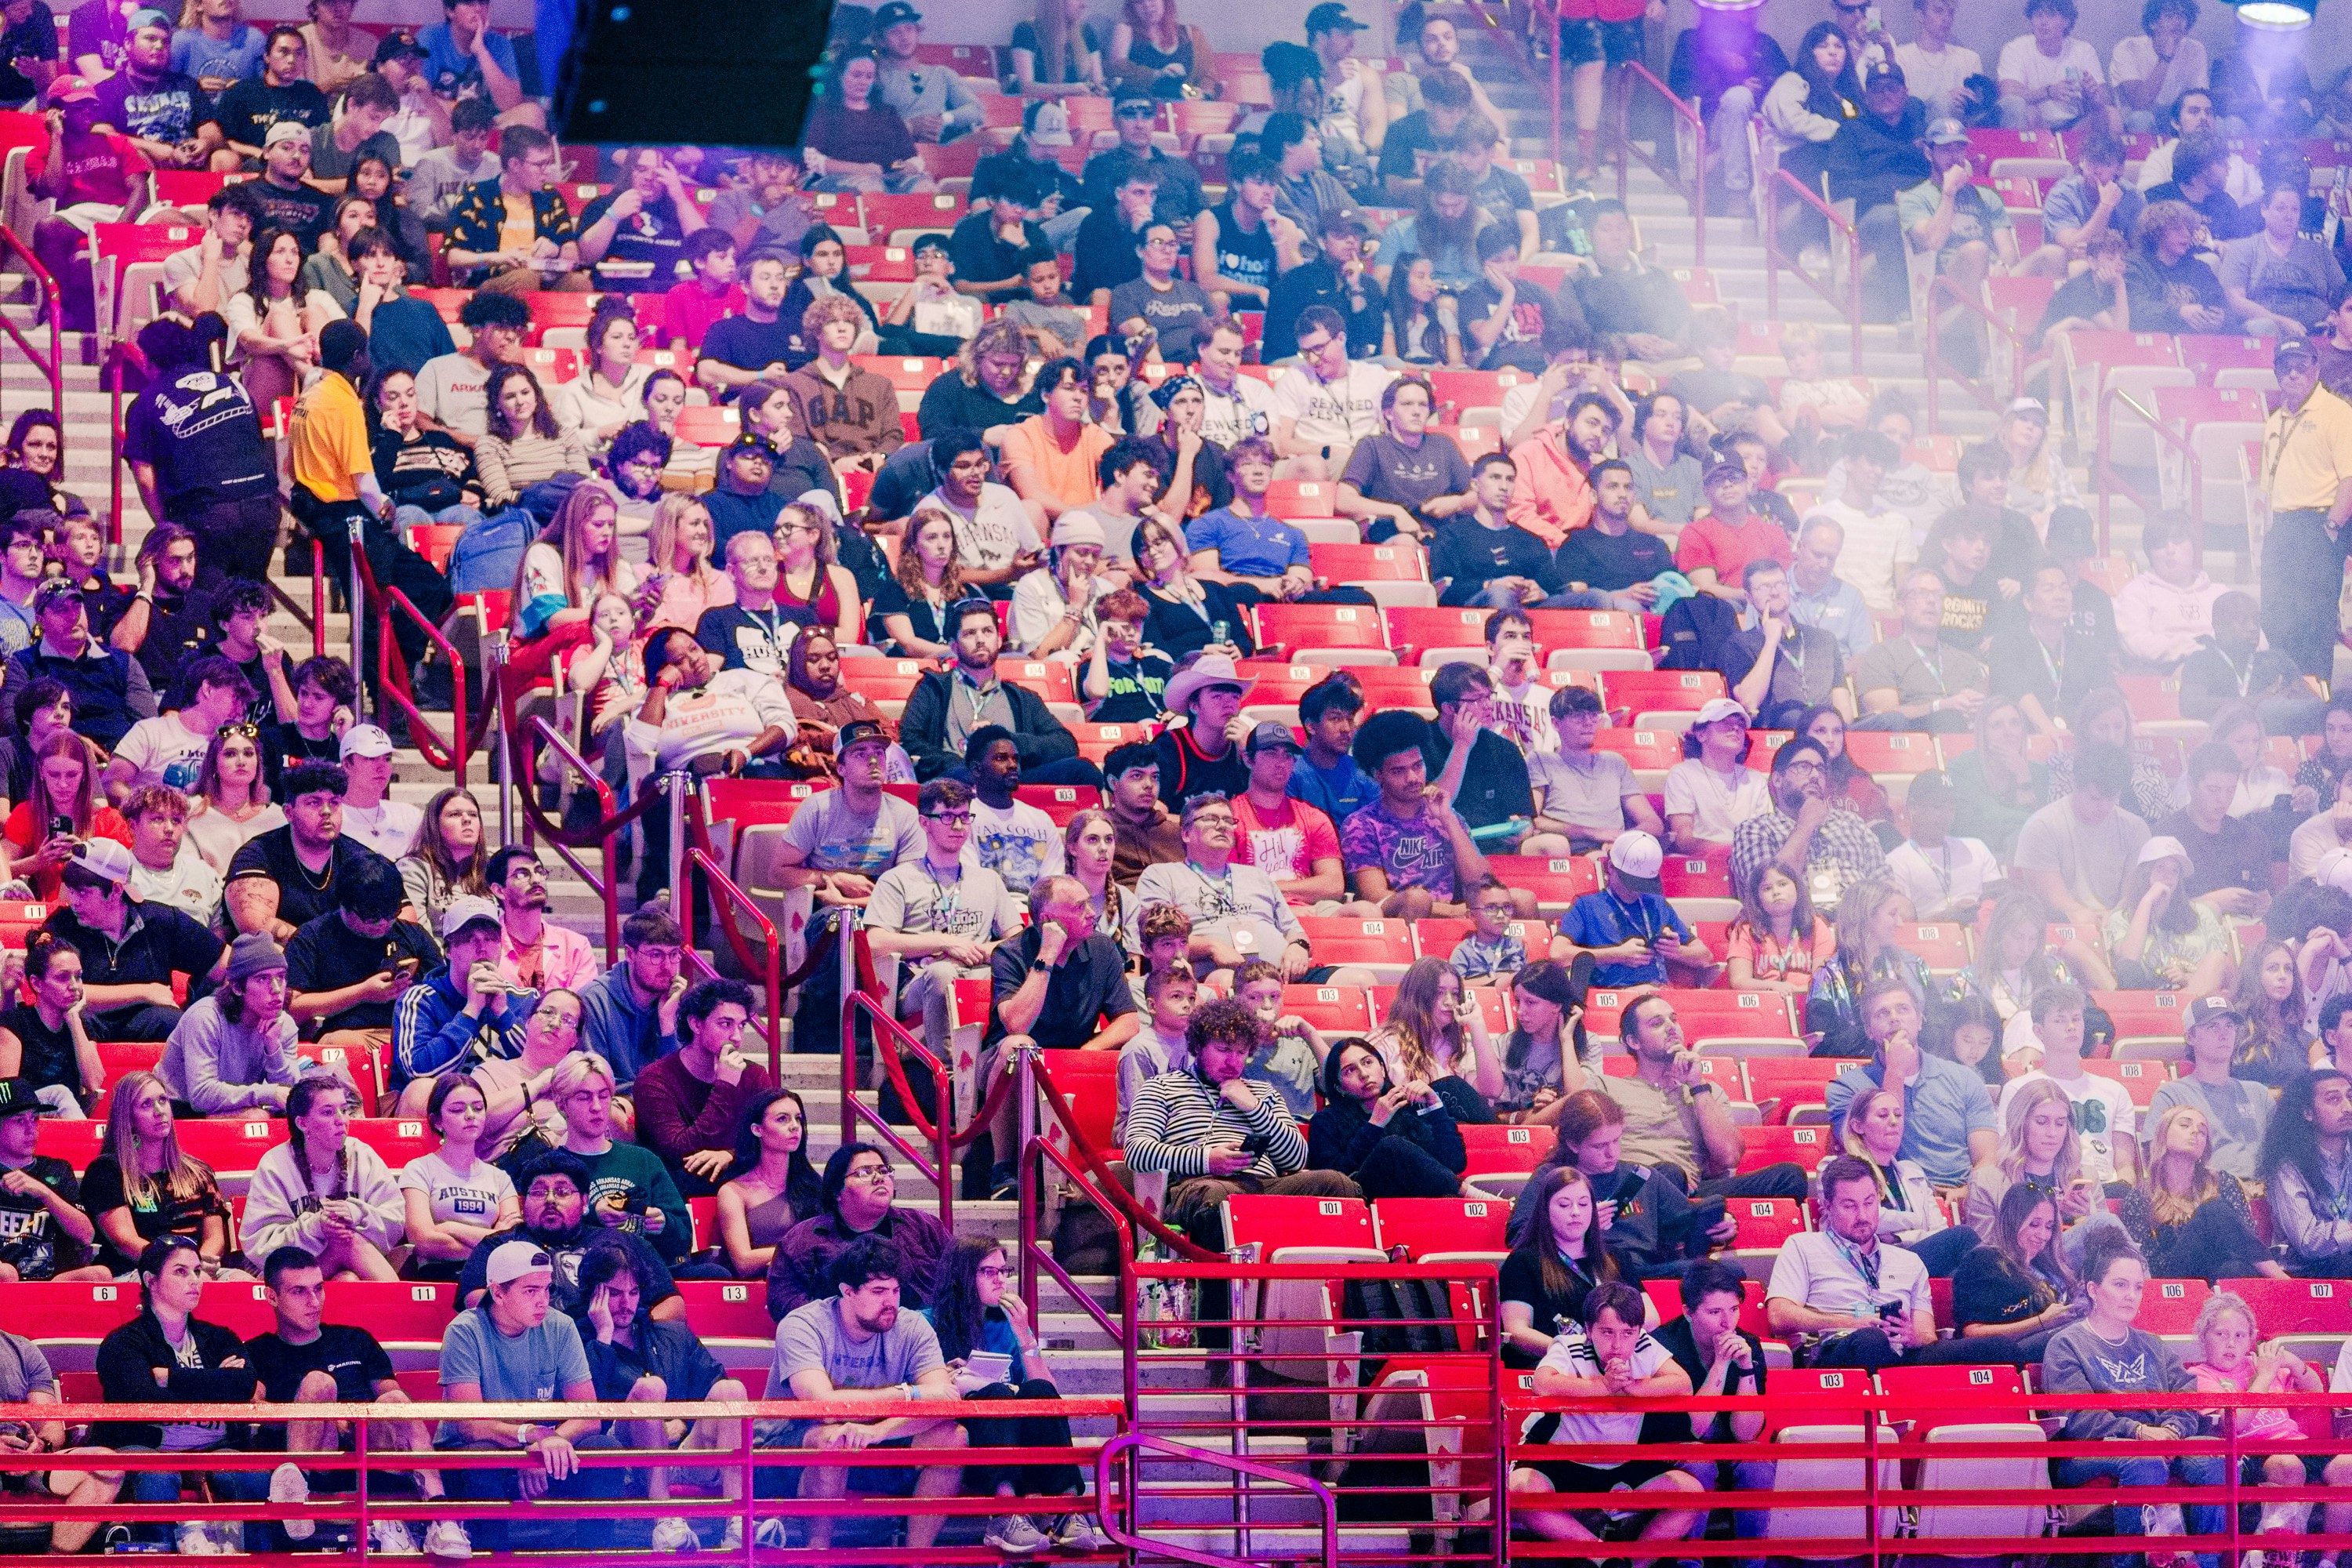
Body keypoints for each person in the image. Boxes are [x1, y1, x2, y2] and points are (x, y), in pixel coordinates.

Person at [765, 1234, 968, 1555]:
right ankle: (819, 1556)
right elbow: (824, 1407)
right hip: (790, 1444)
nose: (891, 1302)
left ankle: (916, 1560)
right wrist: (908, 1394)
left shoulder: (912, 1326)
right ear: (847, 1292)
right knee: (835, 1438)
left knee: (952, 1436)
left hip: (872, 1438)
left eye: (896, 1290)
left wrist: (876, 1431)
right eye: (878, 1292)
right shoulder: (803, 1324)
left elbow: (945, 1401)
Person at [435, 1238, 628, 1552]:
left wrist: (548, 1444)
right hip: (477, 1457)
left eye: (547, 1289)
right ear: (497, 1293)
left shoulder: (561, 1326)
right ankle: (492, 1561)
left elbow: (589, 1415)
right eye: (531, 1291)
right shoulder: (463, 1331)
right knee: (483, 1458)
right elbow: (469, 1425)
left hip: (540, 1454)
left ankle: (594, 1557)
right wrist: (530, 1439)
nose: (544, 1301)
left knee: (604, 1448)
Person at [1123, 996, 1361, 1247]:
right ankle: (1220, 1286)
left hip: (1263, 1185)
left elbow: (1296, 1159)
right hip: (1196, 1185)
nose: (1233, 1061)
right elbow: (1137, 1151)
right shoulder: (1161, 1087)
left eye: (1241, 1052)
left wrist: (1254, 1107)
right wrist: (1207, 1160)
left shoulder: (1263, 1093)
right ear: (1198, 1047)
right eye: (1223, 1050)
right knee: (1215, 1196)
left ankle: (1320, 1282)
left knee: (1337, 1184)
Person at [2042, 1233, 2227, 1545]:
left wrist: (2171, 1430)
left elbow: (2186, 1394)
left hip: (2160, 1442)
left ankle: (2208, 1561)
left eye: (2138, 1287)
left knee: (2214, 1457)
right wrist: (2140, 1433)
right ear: (2093, 1290)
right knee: (2144, 1462)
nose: (2132, 1295)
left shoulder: (2151, 1343)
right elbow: (2077, 1418)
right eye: (2120, 1285)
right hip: (2090, 1451)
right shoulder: (2066, 1345)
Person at [93, 1236, 271, 1554]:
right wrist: (216, 1381)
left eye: (197, 1271)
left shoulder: (218, 1336)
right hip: (149, 1449)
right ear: (150, 1281)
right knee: (159, 1478)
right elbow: (143, 1402)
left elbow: (244, 1385)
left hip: (214, 1447)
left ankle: (262, 1559)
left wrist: (168, 1377)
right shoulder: (124, 1343)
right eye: (180, 1271)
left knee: (254, 1476)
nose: (194, 1281)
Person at [1512, 1282, 1706, 1547]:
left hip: (1619, 1464)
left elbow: (1683, 1385)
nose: (1617, 1344)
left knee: (1691, 1494)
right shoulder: (1569, 1346)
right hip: (1558, 1459)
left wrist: (1634, 1387)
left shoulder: (1645, 1346)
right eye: (1607, 1332)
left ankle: (1634, 1565)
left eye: (1628, 1333)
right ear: (1589, 1330)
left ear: (1638, 1331)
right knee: (1521, 1490)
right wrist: (1603, 1386)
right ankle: (1603, 1558)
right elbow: (1542, 1384)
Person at [1763, 1153, 1935, 1370]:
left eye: (1869, 1203)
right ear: (1828, 1206)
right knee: (1871, 1340)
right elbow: (1779, 1315)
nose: (1863, 1215)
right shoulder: (1803, 1246)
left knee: (1974, 1351)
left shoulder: (1910, 1261)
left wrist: (1913, 1336)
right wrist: (1852, 1323)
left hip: (1901, 1355)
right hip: (1835, 1352)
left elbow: (1928, 1335)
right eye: (1849, 1206)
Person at [1825, 975, 1999, 1188]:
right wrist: (1895, 1072)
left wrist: (1967, 1193)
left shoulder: (1964, 1079)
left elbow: (1987, 1158)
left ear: (1920, 1021)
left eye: (1903, 1009)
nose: (1894, 1018)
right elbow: (1877, 1154)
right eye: (1882, 1013)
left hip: (1965, 1194)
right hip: (1895, 1198)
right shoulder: (1847, 1089)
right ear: (1869, 1031)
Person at [898, 600, 1094, 787]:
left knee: (1083, 770)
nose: (980, 640)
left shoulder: (1021, 697)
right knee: (961, 776)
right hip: (959, 780)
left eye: (987, 631)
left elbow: (1065, 744)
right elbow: (911, 741)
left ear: (1000, 640)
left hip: (1014, 780)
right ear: (953, 646)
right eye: (969, 633)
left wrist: (1009, 740)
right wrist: (952, 762)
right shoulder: (933, 688)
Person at [238, 1075, 401, 1278]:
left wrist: (358, 1213)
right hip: (292, 1276)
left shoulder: (362, 1154)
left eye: (344, 1110)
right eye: (327, 1112)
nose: (341, 1120)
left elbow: (396, 1223)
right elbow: (261, 1248)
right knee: (346, 1242)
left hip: (352, 1270)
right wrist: (315, 1227)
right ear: (302, 1123)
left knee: (347, 1280)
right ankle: (405, 1308)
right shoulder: (275, 1165)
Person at [766, 1142, 953, 1318]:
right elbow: (784, 1300)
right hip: (835, 1342)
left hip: (920, 1334)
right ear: (836, 1192)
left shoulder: (924, 1226)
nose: (879, 1178)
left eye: (884, 1171)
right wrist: (842, 1320)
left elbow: (961, 1276)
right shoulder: (803, 1239)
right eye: (864, 1173)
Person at [2259, 339, 2352, 682]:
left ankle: (2317, 703)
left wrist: (2331, 526)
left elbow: (2350, 477)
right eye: (2286, 366)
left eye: (2301, 365)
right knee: (2275, 616)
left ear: (2316, 367)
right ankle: (2287, 693)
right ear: (2276, 372)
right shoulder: (2275, 420)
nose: (2293, 373)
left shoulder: (2338, 413)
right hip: (2282, 526)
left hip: (2318, 523)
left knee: (2314, 622)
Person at [391, 895, 538, 1111]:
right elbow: (418, 1071)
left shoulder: (525, 1000)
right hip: (442, 1116)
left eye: (490, 938)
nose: (482, 948)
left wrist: (503, 1015)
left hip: (506, 1111)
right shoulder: (420, 1000)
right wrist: (470, 1012)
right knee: (420, 1090)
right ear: (448, 950)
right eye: (469, 939)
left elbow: (540, 1066)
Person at [1837, 1082, 1979, 1276]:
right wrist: (1916, 1221)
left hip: (1913, 1258)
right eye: (1883, 1115)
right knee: (1964, 1237)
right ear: (1858, 1125)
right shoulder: (1838, 1169)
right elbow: (1869, 1220)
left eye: (1898, 1114)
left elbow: (1938, 1230)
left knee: (1969, 1267)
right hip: (1870, 1261)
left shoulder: (1913, 1173)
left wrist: (1897, 1237)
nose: (1894, 1121)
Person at [1499, 1163, 1631, 1369]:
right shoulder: (1522, 1262)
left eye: (1584, 1204)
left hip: (1614, 1361)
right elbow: (1516, 1330)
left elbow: (1648, 1316)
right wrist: (1572, 1350)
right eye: (1564, 1205)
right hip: (1551, 1364)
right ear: (1545, 1211)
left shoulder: (1616, 1257)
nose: (1576, 1212)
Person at [1305, 1036, 1467, 1200]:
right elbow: (1334, 1180)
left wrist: (1435, 1107)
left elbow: (1454, 1162)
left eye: (1368, 1062)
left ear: (1382, 1068)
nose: (1363, 1074)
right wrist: (1375, 1125)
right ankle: (1473, 1194)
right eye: (1350, 1070)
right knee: (1391, 1146)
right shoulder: (1325, 1122)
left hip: (1420, 1199)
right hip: (1365, 1197)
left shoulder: (1409, 1106)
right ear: (1339, 1088)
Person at [2011, 739, 2151, 924]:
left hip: (2119, 924)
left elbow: (2132, 894)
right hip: (2059, 926)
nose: (2104, 808)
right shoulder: (2041, 827)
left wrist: (2116, 917)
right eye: (2095, 799)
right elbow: (2053, 897)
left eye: (2113, 799)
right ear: (2074, 783)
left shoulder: (2135, 828)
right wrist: (2081, 914)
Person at [398, 1071, 521, 1281]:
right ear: (437, 1121)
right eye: (457, 1109)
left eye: (478, 1108)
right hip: (439, 1276)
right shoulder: (419, 1169)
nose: (470, 1115)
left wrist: (450, 1228)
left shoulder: (500, 1178)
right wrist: (492, 1239)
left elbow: (511, 1243)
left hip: (492, 1278)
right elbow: (423, 1242)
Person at [1661, 700, 1770, 853]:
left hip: (1748, 859)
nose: (1735, 728)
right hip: (1702, 860)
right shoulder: (1682, 774)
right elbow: (1683, 838)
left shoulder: (1756, 780)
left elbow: (1763, 836)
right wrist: (1730, 852)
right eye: (1725, 722)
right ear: (1701, 734)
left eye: (1740, 724)